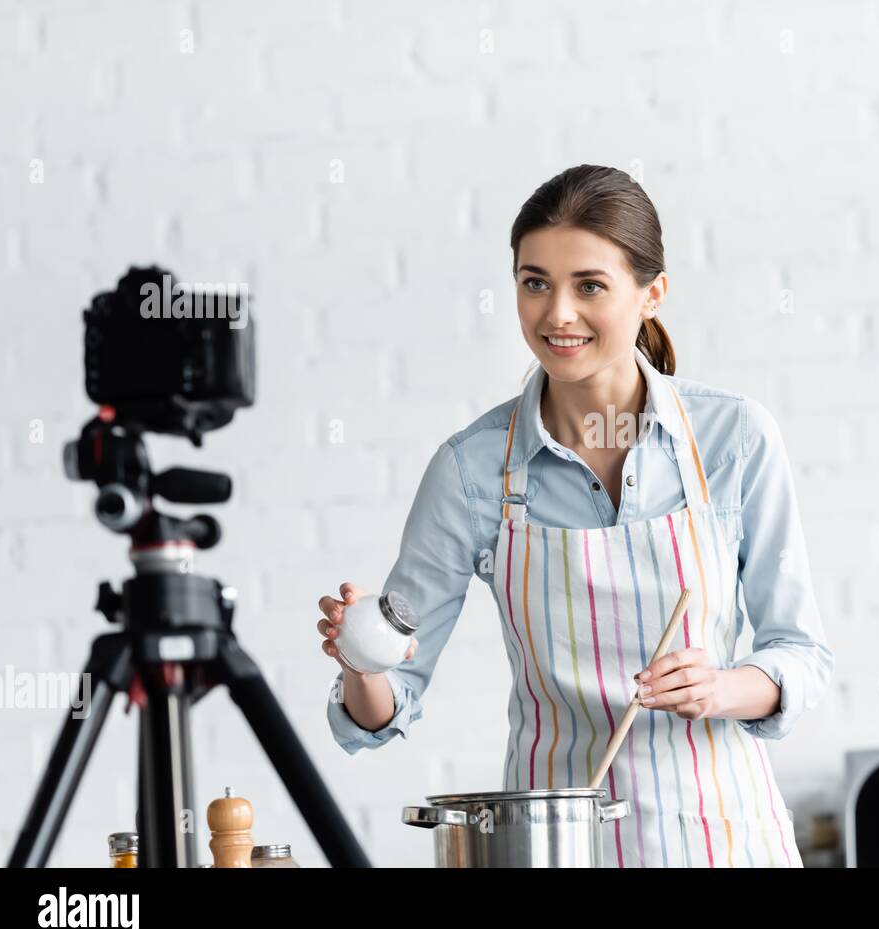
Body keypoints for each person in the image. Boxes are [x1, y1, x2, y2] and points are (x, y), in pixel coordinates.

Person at [317, 164, 833, 867]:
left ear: (653, 294)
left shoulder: (733, 437)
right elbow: (386, 703)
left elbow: (800, 655)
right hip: (555, 849)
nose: (557, 313)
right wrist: (361, 660)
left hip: (724, 836)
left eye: (589, 285)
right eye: (535, 283)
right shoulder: (472, 470)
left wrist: (720, 687)